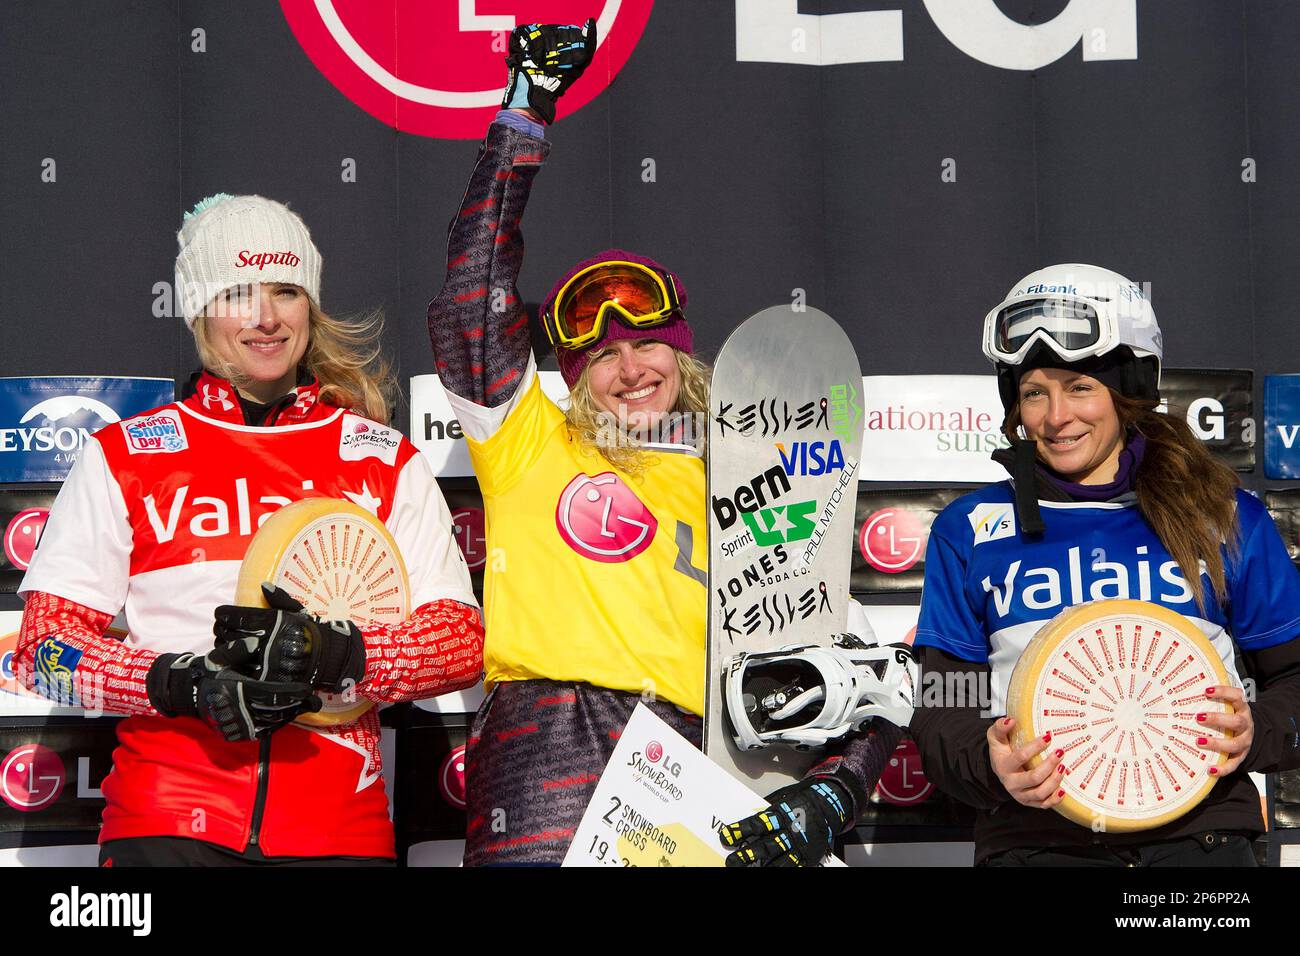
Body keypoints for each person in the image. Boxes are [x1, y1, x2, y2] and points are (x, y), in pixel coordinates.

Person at [428, 22, 908, 867]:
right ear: (572, 377)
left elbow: (871, 676)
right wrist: (524, 116)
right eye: (599, 354)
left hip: (700, 766)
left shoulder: (752, 475)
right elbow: (472, 298)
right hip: (544, 761)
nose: (627, 368)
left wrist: (832, 794)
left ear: (682, 349)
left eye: (645, 342)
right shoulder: (528, 440)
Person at [15, 193, 483, 866]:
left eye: (286, 291)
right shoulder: (127, 455)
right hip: (167, 824)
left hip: (337, 834)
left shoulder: (381, 457)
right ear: (200, 308)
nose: (265, 318)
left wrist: (340, 655)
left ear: (310, 306)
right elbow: (43, 652)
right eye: (238, 292)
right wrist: (179, 683)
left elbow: (459, 644)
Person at [909, 263, 1300, 866]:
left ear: (1128, 392)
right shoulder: (969, 528)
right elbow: (941, 705)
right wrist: (989, 762)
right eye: (1034, 392)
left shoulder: (1219, 514)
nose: (1055, 416)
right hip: (1035, 843)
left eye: (1080, 387)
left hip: (1201, 842)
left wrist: (1255, 733)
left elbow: (1293, 680)